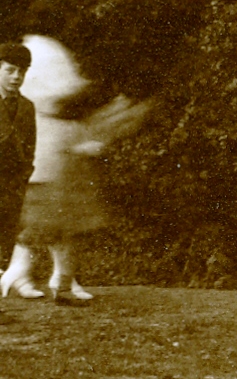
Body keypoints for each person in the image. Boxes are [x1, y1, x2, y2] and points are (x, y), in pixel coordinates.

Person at [3, 38, 148, 306]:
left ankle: (47, 278)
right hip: (45, 155)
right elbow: (54, 99)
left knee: (58, 222)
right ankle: (27, 276)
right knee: (47, 221)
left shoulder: (47, 54)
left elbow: (67, 103)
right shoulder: (39, 57)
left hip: (56, 152)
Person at [0, 43, 38, 299]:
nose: (16, 77)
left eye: (22, 71)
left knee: (4, 244)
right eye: (10, 70)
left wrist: (24, 176)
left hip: (12, 187)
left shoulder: (27, 107)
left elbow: (30, 147)